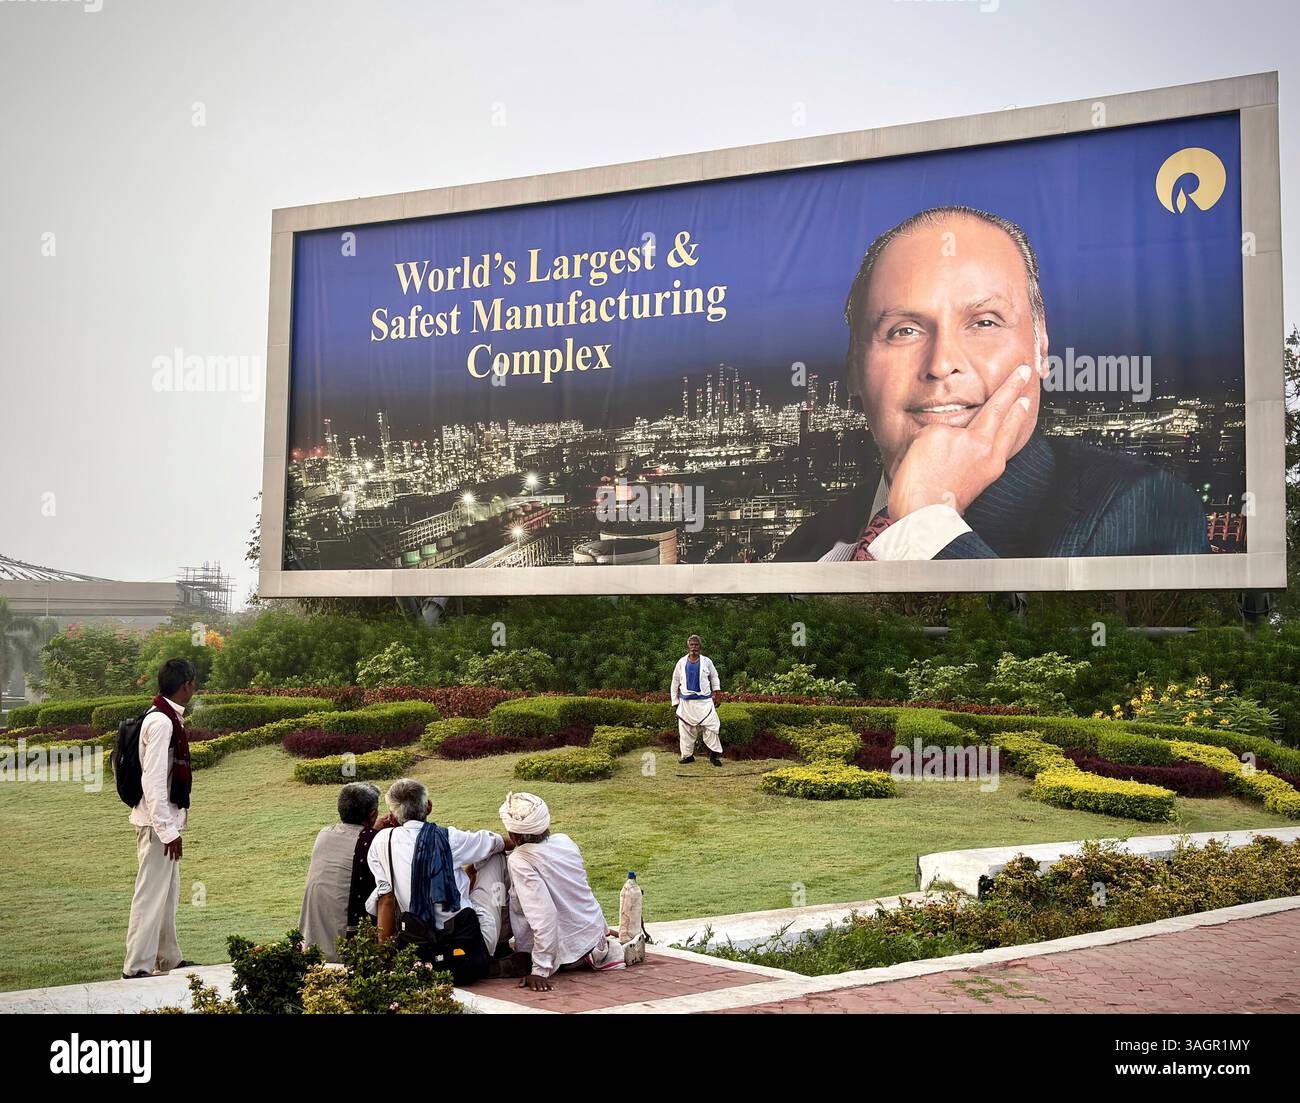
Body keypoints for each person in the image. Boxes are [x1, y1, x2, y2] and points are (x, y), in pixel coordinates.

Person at [777, 205, 1211, 562]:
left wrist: (927, 520)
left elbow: (1045, 666)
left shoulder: (1140, 507)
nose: (942, 364)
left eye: (984, 322)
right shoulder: (804, 547)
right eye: (903, 330)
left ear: (1040, 344)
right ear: (854, 366)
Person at [366, 778, 510, 980]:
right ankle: (499, 946)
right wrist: (525, 840)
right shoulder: (448, 837)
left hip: (420, 949)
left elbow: (386, 900)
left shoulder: (382, 841)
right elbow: (497, 843)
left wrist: (386, 961)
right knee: (495, 858)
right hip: (469, 947)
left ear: (392, 815)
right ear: (429, 806)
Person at [499, 791, 630, 992]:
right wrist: (602, 929)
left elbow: (544, 916)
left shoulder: (520, 859)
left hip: (569, 954)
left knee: (485, 968)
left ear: (513, 835)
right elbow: (580, 890)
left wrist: (540, 970)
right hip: (594, 940)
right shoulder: (564, 841)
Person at [122, 658, 198, 979]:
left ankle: (168, 957)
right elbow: (152, 781)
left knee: (167, 894)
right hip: (157, 825)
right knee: (151, 894)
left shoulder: (163, 716)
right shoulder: (163, 722)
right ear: (186, 686)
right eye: (193, 683)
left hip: (161, 822)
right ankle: (136, 966)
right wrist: (167, 831)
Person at [299, 782, 385, 962]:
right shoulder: (373, 841)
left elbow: (354, 840)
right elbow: (361, 842)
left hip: (312, 943)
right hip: (343, 949)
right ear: (373, 814)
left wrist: (372, 830)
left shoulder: (325, 833)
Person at [671, 634, 722, 766]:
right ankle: (688, 756)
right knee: (685, 730)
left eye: (696, 644)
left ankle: (714, 755)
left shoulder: (707, 661)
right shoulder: (681, 662)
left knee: (712, 727)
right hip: (686, 703)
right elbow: (675, 682)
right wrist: (675, 701)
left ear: (700, 646)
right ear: (688, 646)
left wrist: (717, 694)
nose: (694, 647)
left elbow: (714, 677)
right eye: (692, 645)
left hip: (704, 702)